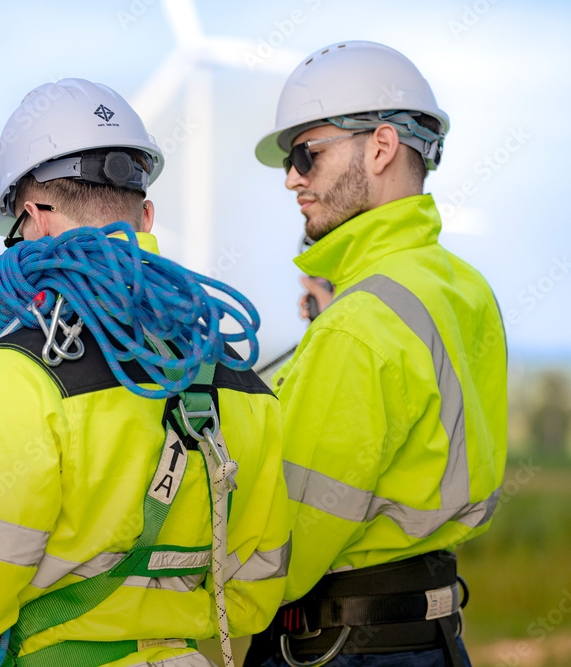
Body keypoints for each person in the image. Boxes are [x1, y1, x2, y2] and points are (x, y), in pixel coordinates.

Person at [0, 78, 291, 667]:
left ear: (32, 216)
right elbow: (256, 589)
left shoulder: (15, 374)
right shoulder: (241, 380)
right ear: (146, 213)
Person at [244, 41, 507, 667]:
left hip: (343, 646)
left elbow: (281, 549)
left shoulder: (360, 326)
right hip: (434, 638)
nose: (292, 178)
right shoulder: (462, 288)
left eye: (307, 153)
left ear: (381, 147)